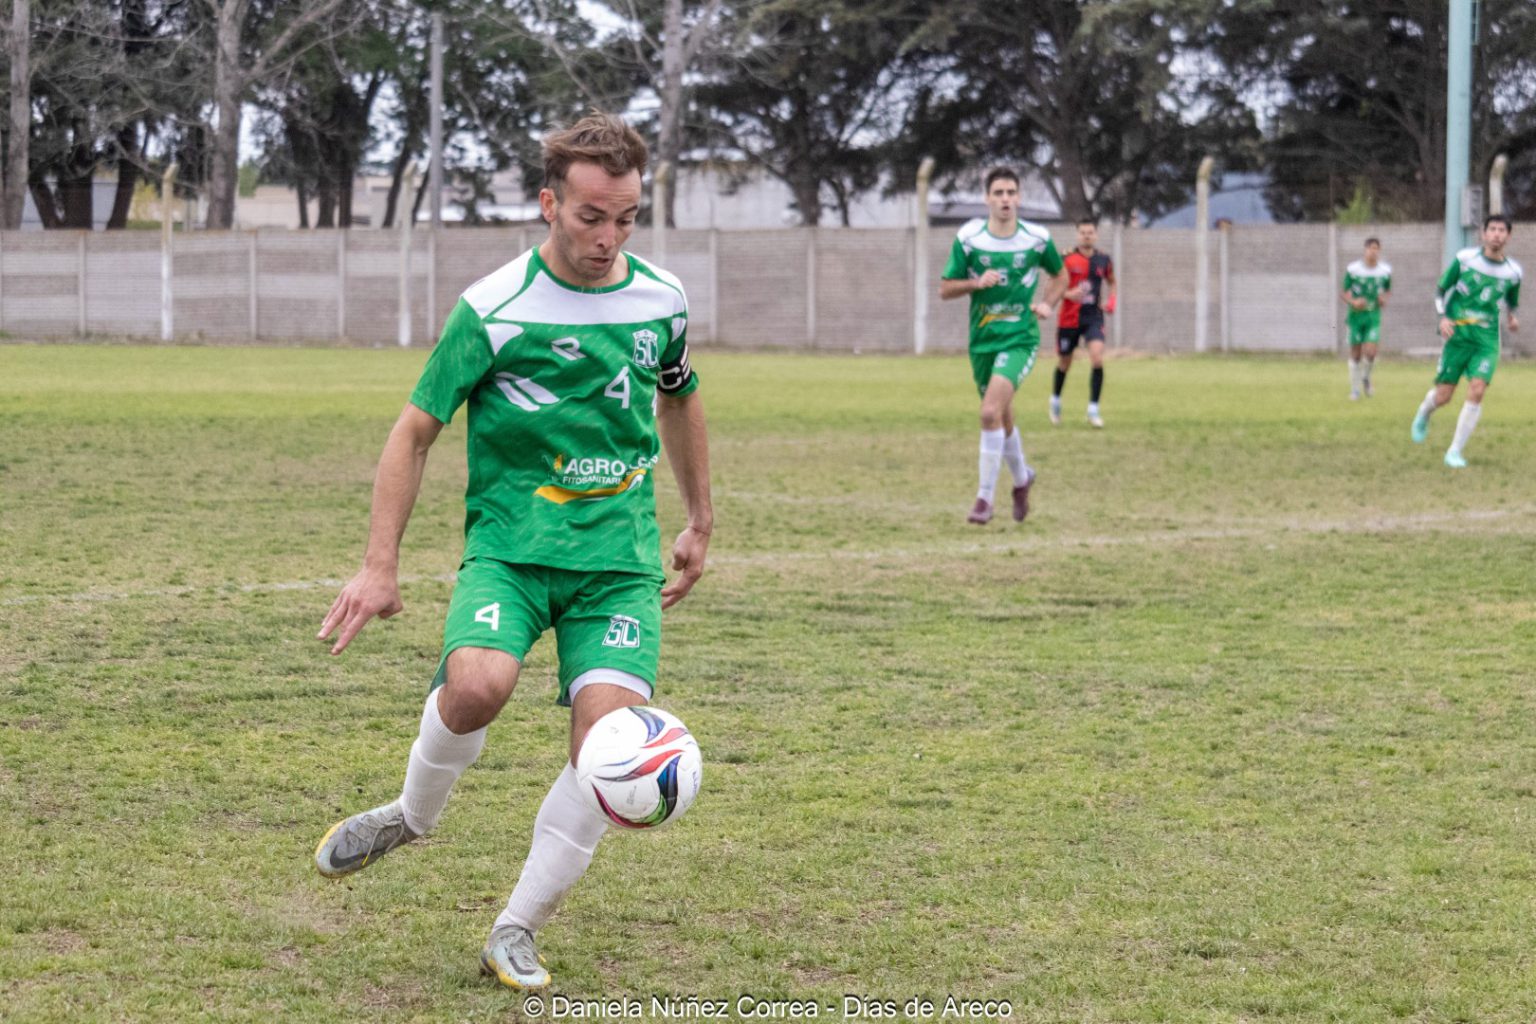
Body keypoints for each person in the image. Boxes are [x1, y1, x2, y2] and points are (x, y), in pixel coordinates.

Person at [311, 112, 712, 991]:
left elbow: (680, 400)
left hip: (617, 564)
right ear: (548, 204)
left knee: (607, 747)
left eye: (626, 218)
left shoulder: (662, 301)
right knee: (477, 688)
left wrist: (700, 519)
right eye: (590, 217)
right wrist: (379, 567)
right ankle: (412, 817)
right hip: (511, 552)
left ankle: (515, 929)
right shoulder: (492, 309)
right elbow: (413, 431)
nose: (609, 238)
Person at [940, 167, 1068, 525]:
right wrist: (976, 283)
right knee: (1002, 417)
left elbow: (1060, 276)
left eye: (1011, 192)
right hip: (983, 341)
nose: (1006, 199)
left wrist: (1047, 304)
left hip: (1020, 338)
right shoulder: (969, 238)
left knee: (987, 412)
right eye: (998, 193)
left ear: (1019, 197)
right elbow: (946, 288)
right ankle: (1023, 478)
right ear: (986, 199)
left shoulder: (1036, 238)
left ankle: (984, 498)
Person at [1411, 215, 1522, 468]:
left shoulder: (1513, 272)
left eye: (1501, 230)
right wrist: (1442, 318)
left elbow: (1511, 302)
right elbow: (1440, 291)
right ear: (1483, 234)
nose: (1496, 234)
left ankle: (1454, 451)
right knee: (1443, 396)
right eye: (1491, 229)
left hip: (1487, 340)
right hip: (1458, 337)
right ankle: (1425, 412)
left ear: (1508, 236)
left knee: (1478, 388)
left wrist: (1512, 318)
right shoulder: (1464, 260)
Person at [1049, 219, 1117, 427]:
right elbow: (1052, 285)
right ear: (1077, 234)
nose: (1087, 236)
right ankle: (1055, 401)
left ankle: (1093, 410)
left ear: (1096, 235)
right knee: (1064, 363)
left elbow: (1112, 282)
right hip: (1069, 319)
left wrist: (1111, 301)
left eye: (1090, 232)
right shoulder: (1066, 258)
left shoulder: (1103, 259)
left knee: (1096, 358)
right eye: (1083, 232)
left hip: (1093, 317)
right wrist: (1068, 293)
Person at [1340, 238, 1391, 399]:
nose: (1373, 251)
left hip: (1373, 316)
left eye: (1376, 248)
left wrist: (1383, 299)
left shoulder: (1385, 271)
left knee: (1370, 352)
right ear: (1365, 250)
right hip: (1355, 317)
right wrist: (1353, 301)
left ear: (1379, 251)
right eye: (1371, 248)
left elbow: (1387, 290)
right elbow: (1343, 292)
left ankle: (1366, 378)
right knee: (1355, 354)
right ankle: (1354, 389)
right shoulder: (1354, 270)